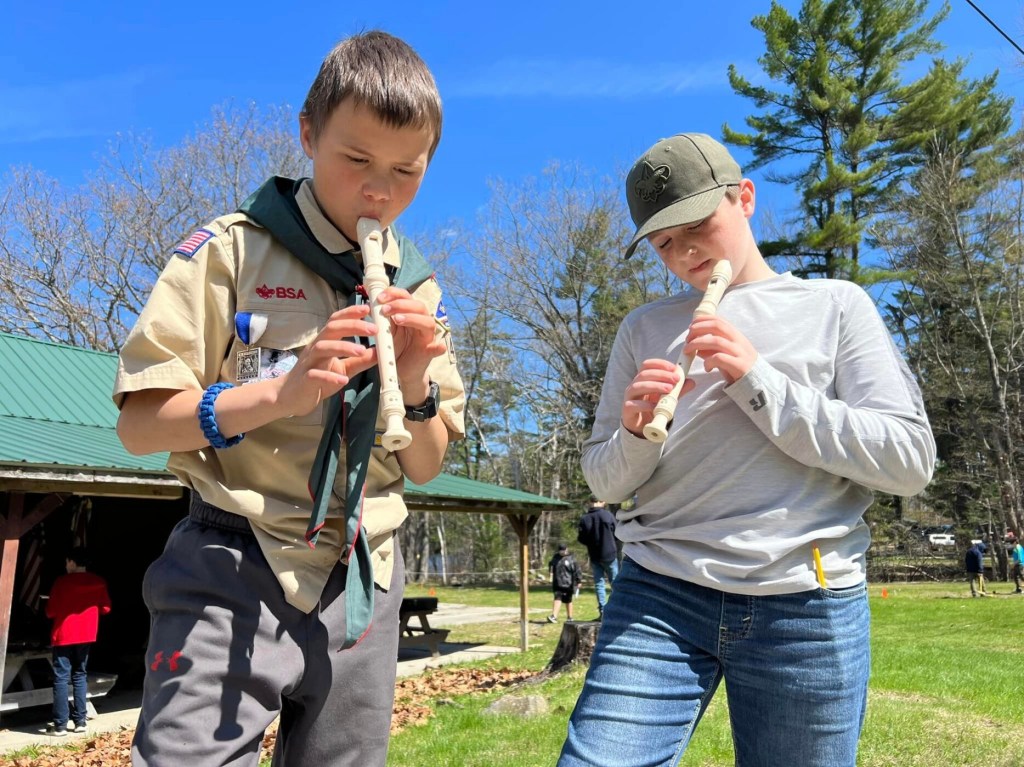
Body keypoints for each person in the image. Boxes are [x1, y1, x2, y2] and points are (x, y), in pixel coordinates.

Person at [113, 31, 464, 766]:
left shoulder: (419, 287)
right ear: (307, 135)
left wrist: (418, 382)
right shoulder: (228, 251)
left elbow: (426, 464)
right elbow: (141, 425)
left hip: (368, 575)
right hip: (232, 561)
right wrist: (281, 390)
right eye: (357, 160)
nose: (381, 190)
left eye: (408, 170)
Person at [558, 133, 935, 767]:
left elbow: (908, 460)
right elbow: (606, 478)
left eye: (697, 224)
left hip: (807, 599)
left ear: (746, 198)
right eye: (663, 242)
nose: (684, 253)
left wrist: (757, 381)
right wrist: (632, 433)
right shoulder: (644, 327)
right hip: (658, 591)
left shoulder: (835, 306)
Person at [45, 547, 111, 737]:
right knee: (80, 675)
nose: (66, 566)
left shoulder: (61, 582)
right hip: (86, 635)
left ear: (72, 562)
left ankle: (60, 725)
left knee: (61, 678)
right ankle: (81, 721)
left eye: (67, 562)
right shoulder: (99, 582)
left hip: (63, 635)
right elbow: (106, 608)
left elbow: (51, 611)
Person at [576, 496, 618, 616]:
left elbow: (581, 538)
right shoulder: (608, 516)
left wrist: (591, 542)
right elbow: (617, 532)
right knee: (615, 583)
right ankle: (616, 610)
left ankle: (603, 611)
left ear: (590, 502)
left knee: (599, 584)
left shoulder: (585, 519)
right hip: (610, 554)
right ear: (603, 502)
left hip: (595, 555)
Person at [548, 544, 583, 623]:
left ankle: (570, 617)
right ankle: (554, 616)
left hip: (568, 583)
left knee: (568, 600)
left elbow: (577, 570)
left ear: (567, 549)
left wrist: (579, 581)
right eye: (561, 550)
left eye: (564, 550)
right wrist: (550, 573)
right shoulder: (555, 558)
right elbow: (551, 566)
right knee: (557, 598)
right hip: (557, 583)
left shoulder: (571, 559)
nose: (563, 552)